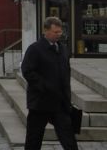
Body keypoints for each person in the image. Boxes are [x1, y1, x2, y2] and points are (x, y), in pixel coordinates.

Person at [22, 16, 79, 150]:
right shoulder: (35, 49)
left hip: (60, 102)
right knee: (34, 139)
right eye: (56, 32)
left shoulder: (63, 49)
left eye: (60, 32)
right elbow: (27, 71)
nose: (59, 35)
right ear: (45, 31)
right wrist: (44, 86)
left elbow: (66, 73)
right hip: (40, 102)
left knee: (68, 137)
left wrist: (67, 96)